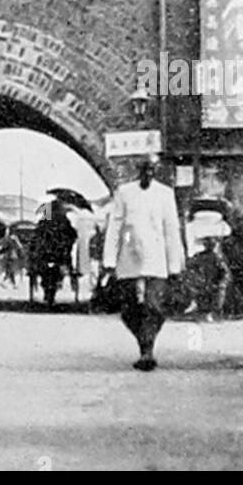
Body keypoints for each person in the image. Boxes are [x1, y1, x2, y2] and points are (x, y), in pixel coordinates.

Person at [102, 158, 185, 370]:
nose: (148, 173)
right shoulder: (125, 192)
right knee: (130, 308)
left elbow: (171, 230)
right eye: (144, 169)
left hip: (156, 259)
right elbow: (115, 226)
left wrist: (174, 264)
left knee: (154, 306)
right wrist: (109, 260)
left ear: (156, 171)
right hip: (128, 258)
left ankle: (147, 350)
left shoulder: (165, 194)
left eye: (152, 170)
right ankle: (142, 343)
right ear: (137, 171)